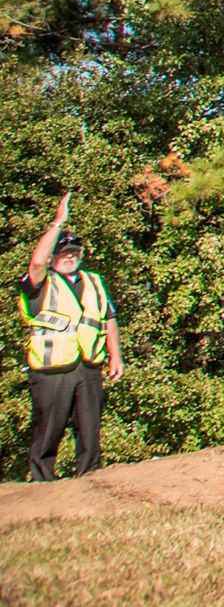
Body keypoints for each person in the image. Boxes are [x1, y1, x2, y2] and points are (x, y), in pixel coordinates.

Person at [20, 194, 120, 480]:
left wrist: (116, 356)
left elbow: (108, 318)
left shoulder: (94, 281)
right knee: (49, 430)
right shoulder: (41, 283)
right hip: (51, 370)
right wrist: (58, 223)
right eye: (64, 252)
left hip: (88, 366)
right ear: (53, 256)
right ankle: (43, 482)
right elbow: (37, 263)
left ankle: (89, 479)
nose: (70, 256)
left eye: (74, 251)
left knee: (89, 429)